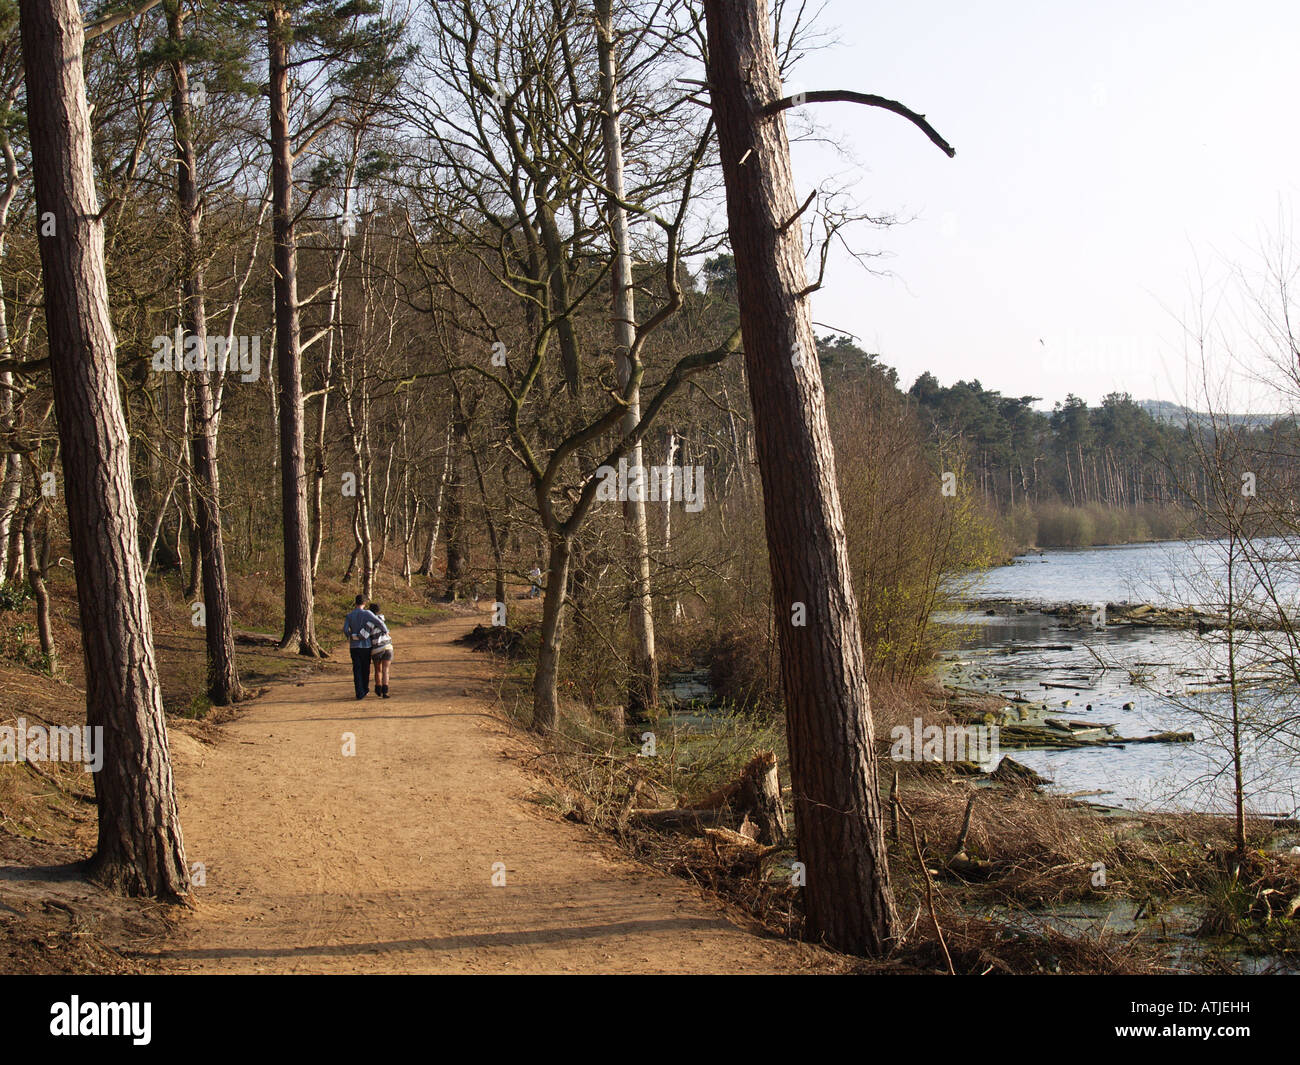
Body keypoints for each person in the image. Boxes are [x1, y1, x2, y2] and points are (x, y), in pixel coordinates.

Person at [343, 595, 387, 700]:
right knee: (365, 668)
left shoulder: (349, 615)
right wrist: (385, 631)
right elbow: (379, 622)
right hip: (366, 645)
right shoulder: (367, 613)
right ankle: (365, 688)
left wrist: (351, 636)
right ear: (364, 603)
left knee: (356, 668)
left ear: (355, 603)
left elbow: (345, 630)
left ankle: (359, 692)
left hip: (354, 646)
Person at [368, 602, 393, 698]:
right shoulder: (383, 621)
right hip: (388, 646)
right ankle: (385, 691)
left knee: (378, 670)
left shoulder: (370, 623)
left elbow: (365, 635)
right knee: (386, 670)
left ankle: (378, 687)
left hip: (376, 648)